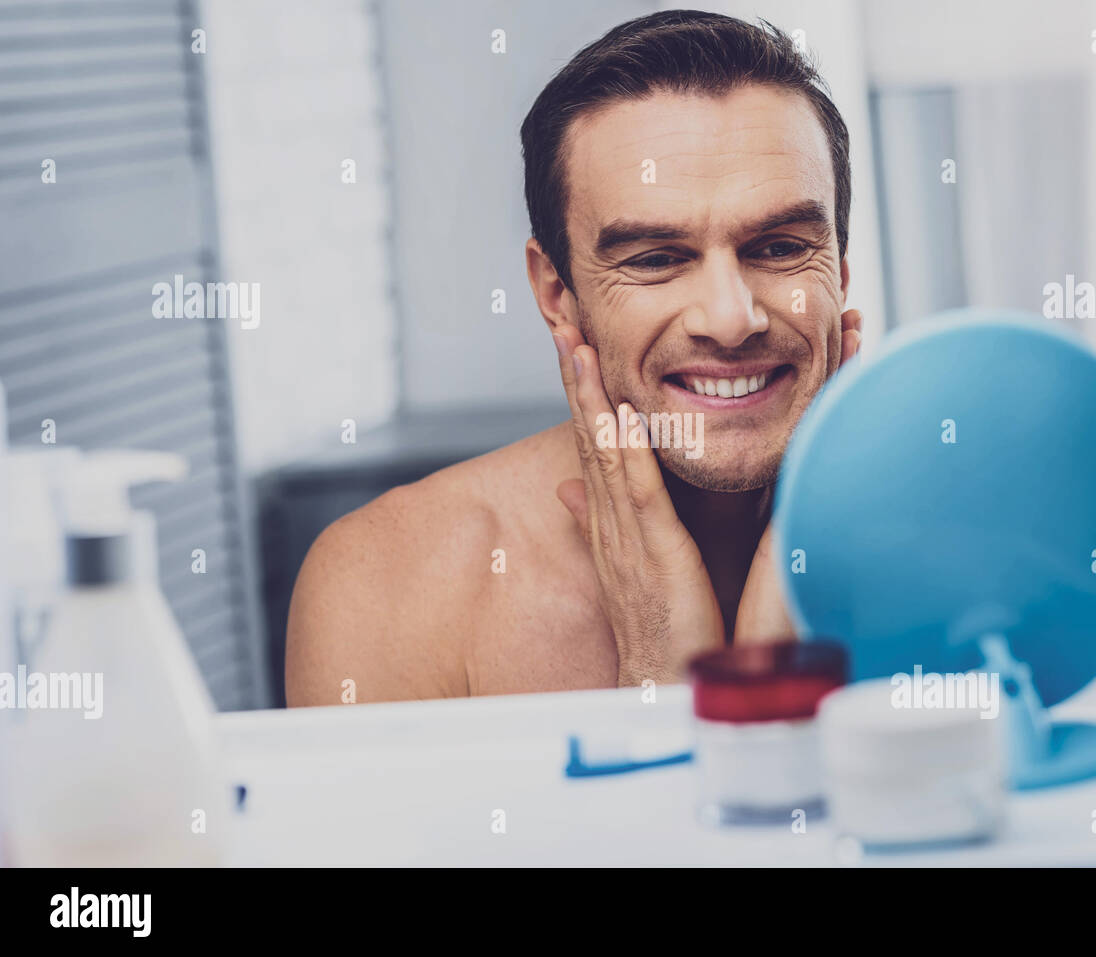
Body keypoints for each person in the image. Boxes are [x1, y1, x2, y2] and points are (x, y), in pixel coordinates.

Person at [286, 10, 864, 704]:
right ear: (557, 293)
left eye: (778, 247)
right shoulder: (387, 581)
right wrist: (659, 676)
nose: (731, 318)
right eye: (656, 258)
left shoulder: (979, 538)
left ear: (841, 268)